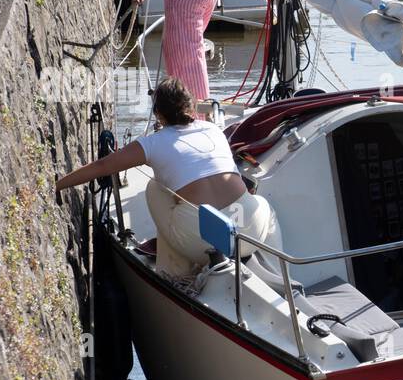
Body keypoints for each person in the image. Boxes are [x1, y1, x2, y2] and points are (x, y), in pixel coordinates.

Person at [55, 77, 279, 280]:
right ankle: (279, 275)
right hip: (249, 232)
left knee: (155, 187)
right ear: (192, 106)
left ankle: (177, 273)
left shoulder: (153, 143)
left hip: (202, 243)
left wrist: (57, 184)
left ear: (159, 115)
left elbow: (103, 166)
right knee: (266, 210)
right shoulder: (213, 129)